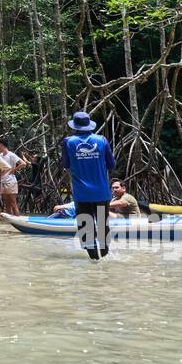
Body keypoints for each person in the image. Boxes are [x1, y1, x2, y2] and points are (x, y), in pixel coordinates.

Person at [61, 111, 116, 260]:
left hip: (82, 195)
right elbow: (112, 165)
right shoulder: (102, 140)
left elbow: (65, 164)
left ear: (75, 126)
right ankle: (105, 258)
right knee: (103, 226)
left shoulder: (68, 142)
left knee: (86, 228)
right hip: (102, 193)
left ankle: (94, 260)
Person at [0, 138, 25, 216]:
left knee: (13, 203)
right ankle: (10, 224)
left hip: (10, 181)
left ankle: (18, 221)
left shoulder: (11, 155)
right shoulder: (0, 155)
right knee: (6, 204)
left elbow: (23, 163)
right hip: (3, 181)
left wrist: (13, 170)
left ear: (2, 145)